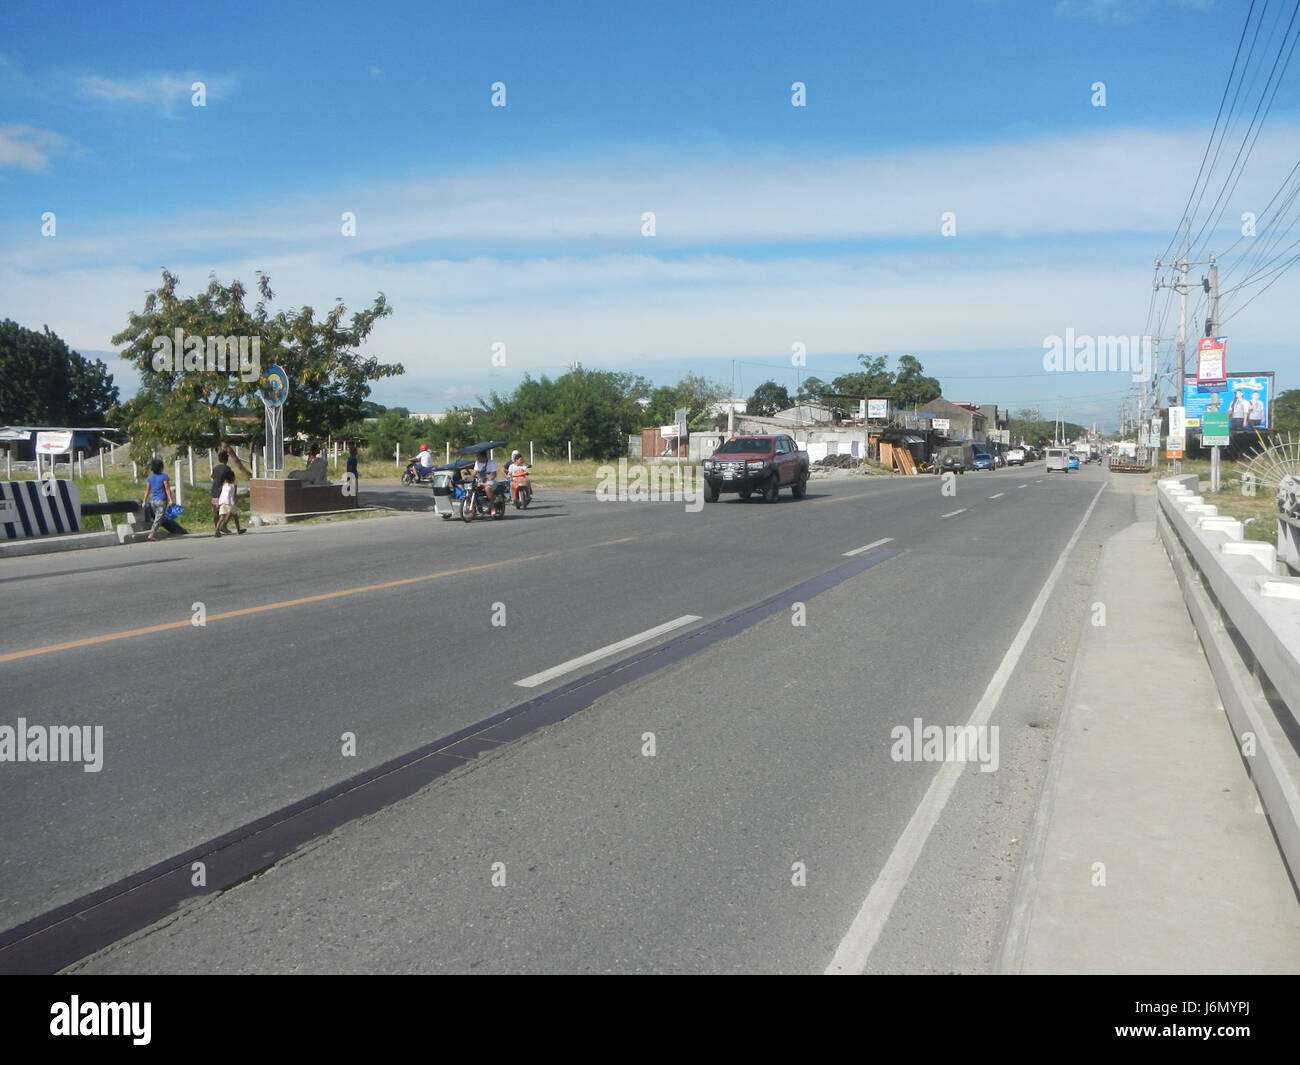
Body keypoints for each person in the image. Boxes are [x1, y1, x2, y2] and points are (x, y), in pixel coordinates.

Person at [141, 458, 174, 542]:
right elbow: (167, 489)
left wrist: (144, 501)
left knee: (158, 518)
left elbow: (147, 490)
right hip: (161, 500)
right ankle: (151, 534)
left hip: (153, 501)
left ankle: (153, 532)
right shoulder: (164, 477)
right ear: (161, 468)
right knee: (158, 519)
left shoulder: (150, 478)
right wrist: (171, 500)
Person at [214, 469, 242, 536]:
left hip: (222, 503)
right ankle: (238, 530)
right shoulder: (234, 485)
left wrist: (218, 503)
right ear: (233, 478)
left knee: (221, 517)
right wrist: (235, 501)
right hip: (230, 503)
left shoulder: (224, 484)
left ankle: (216, 531)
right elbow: (234, 495)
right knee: (236, 517)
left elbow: (220, 493)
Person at [210, 450, 232, 527]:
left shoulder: (215, 468)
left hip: (214, 492)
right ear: (227, 459)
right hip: (223, 493)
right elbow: (228, 481)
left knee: (216, 512)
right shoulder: (227, 469)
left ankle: (216, 528)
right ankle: (224, 526)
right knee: (229, 510)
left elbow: (212, 480)